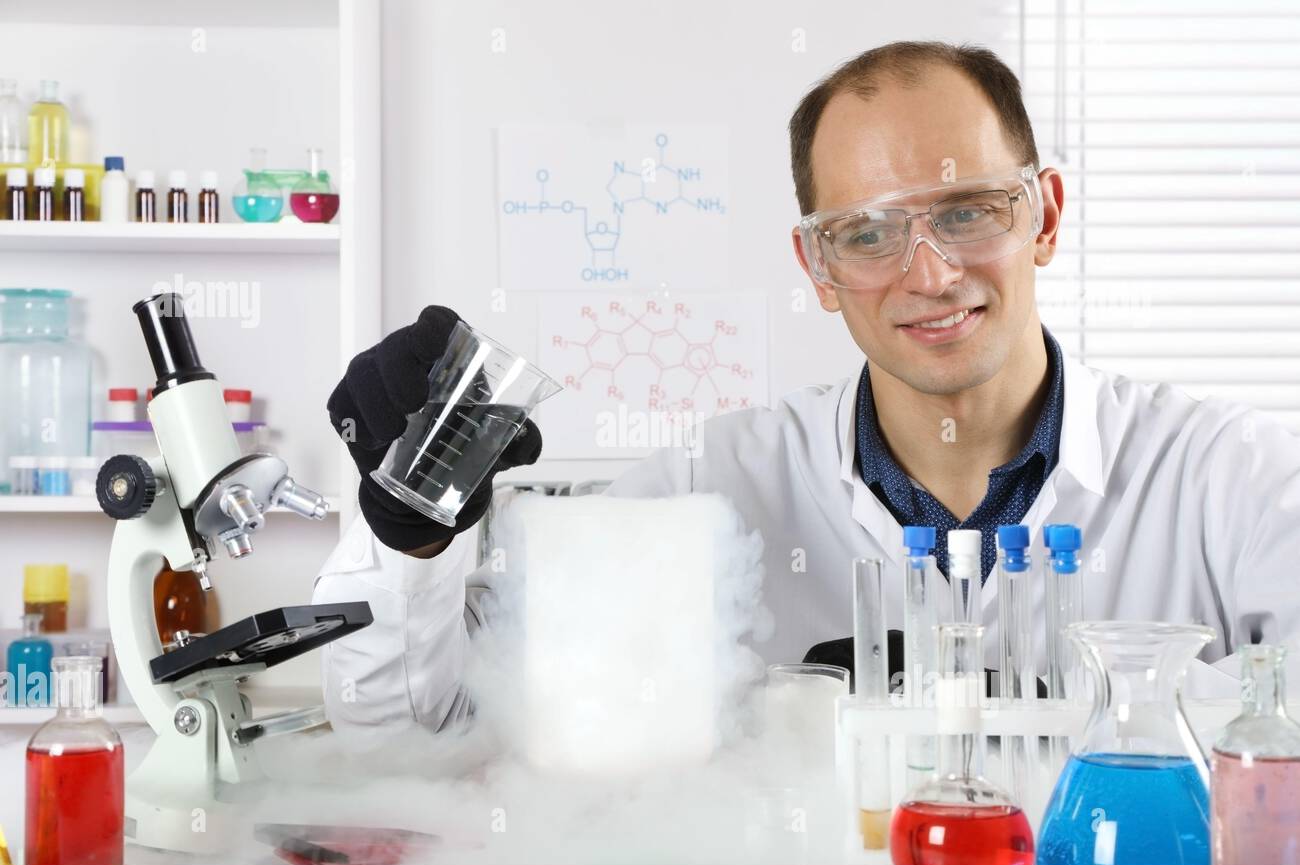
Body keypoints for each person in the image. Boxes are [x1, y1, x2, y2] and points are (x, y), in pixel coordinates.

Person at [315, 41, 1300, 745]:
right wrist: (412, 527)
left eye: (967, 211)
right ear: (817, 264)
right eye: (867, 232)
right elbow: (417, 729)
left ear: (1043, 214)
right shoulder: (706, 490)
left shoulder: (1234, 477)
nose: (929, 272)